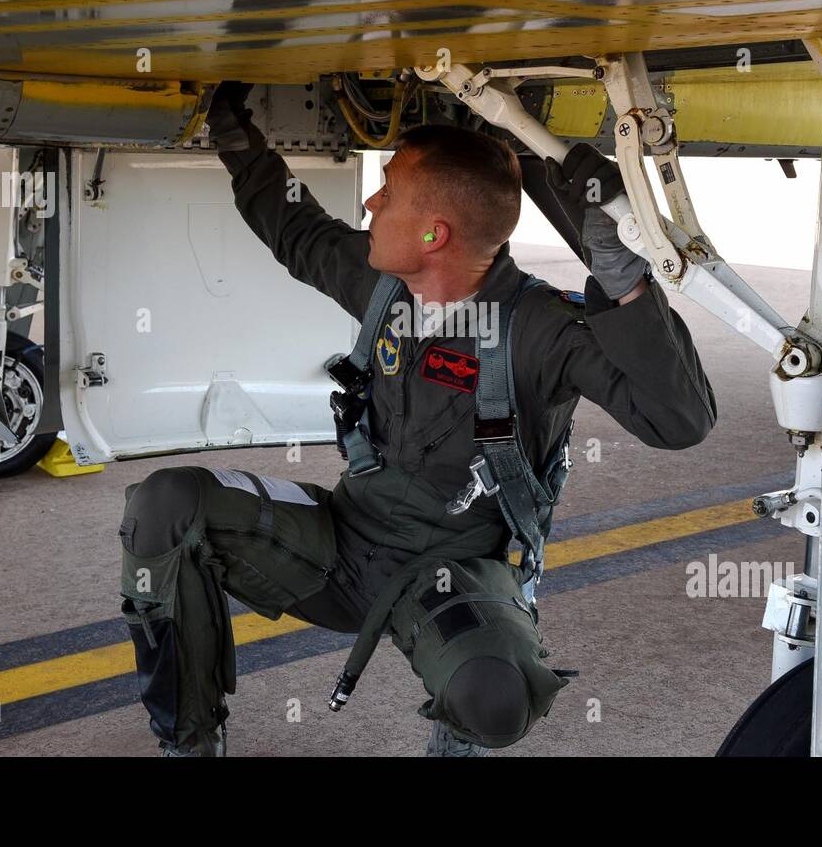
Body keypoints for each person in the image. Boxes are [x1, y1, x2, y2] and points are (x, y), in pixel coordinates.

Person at [118, 81, 716, 756]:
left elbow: (680, 420)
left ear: (434, 233)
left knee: (495, 697)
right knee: (165, 505)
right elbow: (293, 228)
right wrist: (232, 128)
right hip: (338, 542)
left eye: (388, 191)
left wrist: (622, 277)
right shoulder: (384, 287)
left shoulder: (539, 330)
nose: (369, 204)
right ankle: (189, 739)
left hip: (453, 574)